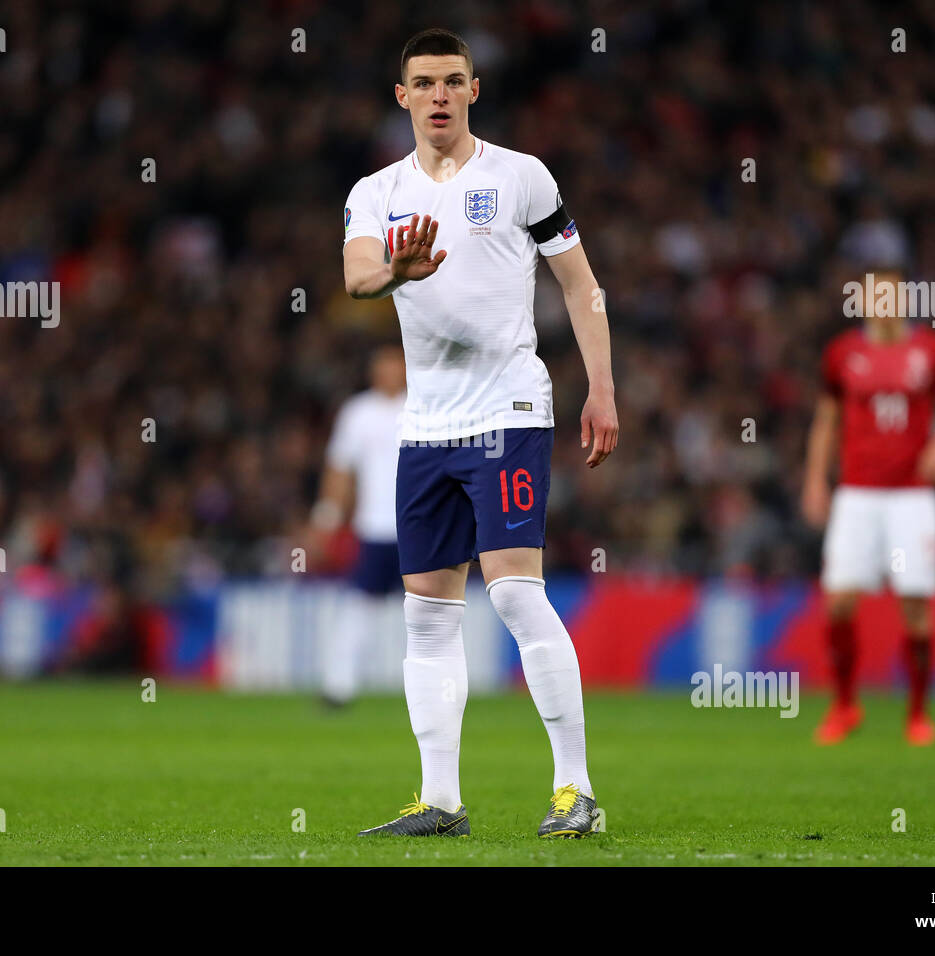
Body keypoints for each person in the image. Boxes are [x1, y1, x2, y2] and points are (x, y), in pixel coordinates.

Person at [342, 28, 618, 837]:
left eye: (452, 81)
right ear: (402, 96)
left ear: (472, 90)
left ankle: (576, 791)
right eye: (424, 82)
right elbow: (357, 277)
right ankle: (441, 801)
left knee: (514, 592)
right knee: (427, 616)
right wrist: (397, 272)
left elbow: (581, 285)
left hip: (509, 411)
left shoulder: (521, 177)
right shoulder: (375, 191)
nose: (439, 95)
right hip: (427, 426)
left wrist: (601, 387)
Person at [801, 268, 935, 746]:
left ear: (906, 301)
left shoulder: (932, 352)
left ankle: (918, 714)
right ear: (862, 303)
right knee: (838, 600)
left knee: (915, 603)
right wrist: (815, 480)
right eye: (875, 296)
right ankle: (844, 705)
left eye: (892, 295)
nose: (884, 304)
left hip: (913, 495)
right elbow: (826, 421)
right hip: (857, 493)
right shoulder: (842, 354)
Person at [311, 345, 407, 707]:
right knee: (359, 606)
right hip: (374, 527)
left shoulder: (423, 405)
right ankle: (339, 686)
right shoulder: (357, 412)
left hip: (419, 527)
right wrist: (326, 519)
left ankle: (435, 688)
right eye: (383, 366)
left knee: (428, 608)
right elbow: (340, 469)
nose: (389, 373)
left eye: (395, 365)